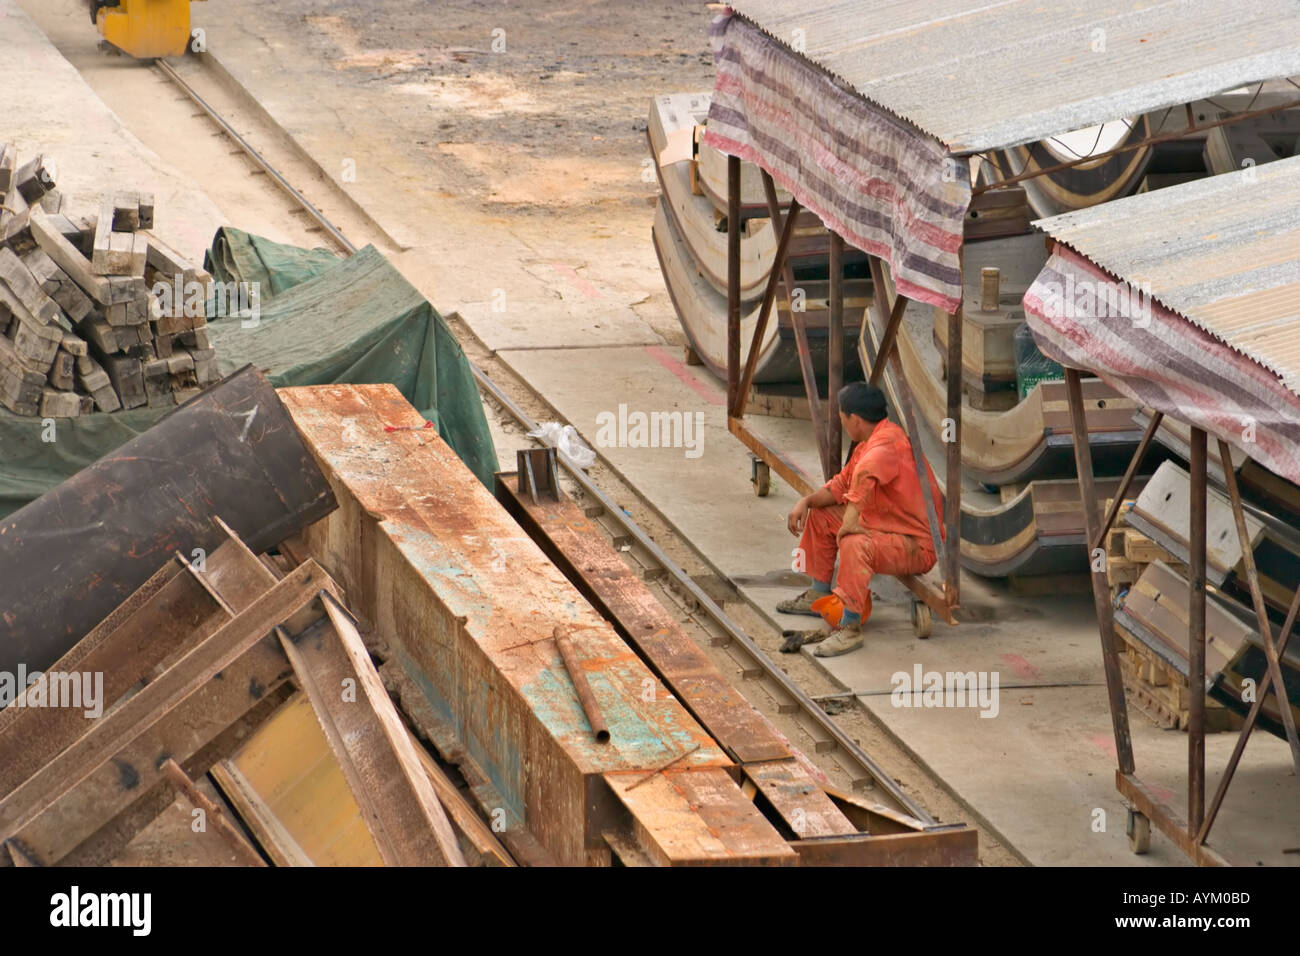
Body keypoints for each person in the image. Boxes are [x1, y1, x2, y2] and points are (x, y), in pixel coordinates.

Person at [779, 382, 944, 657]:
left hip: (916, 544)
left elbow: (863, 483)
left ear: (854, 419)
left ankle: (850, 628)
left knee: (854, 543)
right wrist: (806, 502)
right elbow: (840, 486)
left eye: (842, 418)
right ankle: (819, 593)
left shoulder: (887, 445)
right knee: (821, 514)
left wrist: (849, 530)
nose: (842, 424)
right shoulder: (868, 442)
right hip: (886, 527)